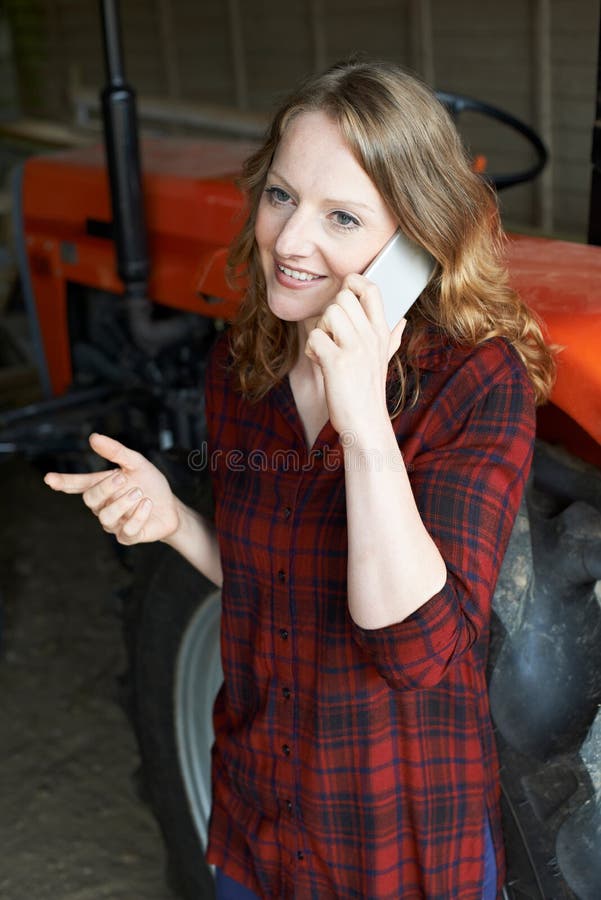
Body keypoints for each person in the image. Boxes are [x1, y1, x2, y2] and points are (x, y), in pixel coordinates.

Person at [45, 59, 555, 899]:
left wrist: (360, 422)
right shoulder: (245, 362)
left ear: (413, 244)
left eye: (341, 217)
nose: (286, 242)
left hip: (395, 852)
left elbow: (417, 651)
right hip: (256, 826)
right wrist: (174, 520)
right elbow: (273, 585)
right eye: (279, 196)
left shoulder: (474, 382)